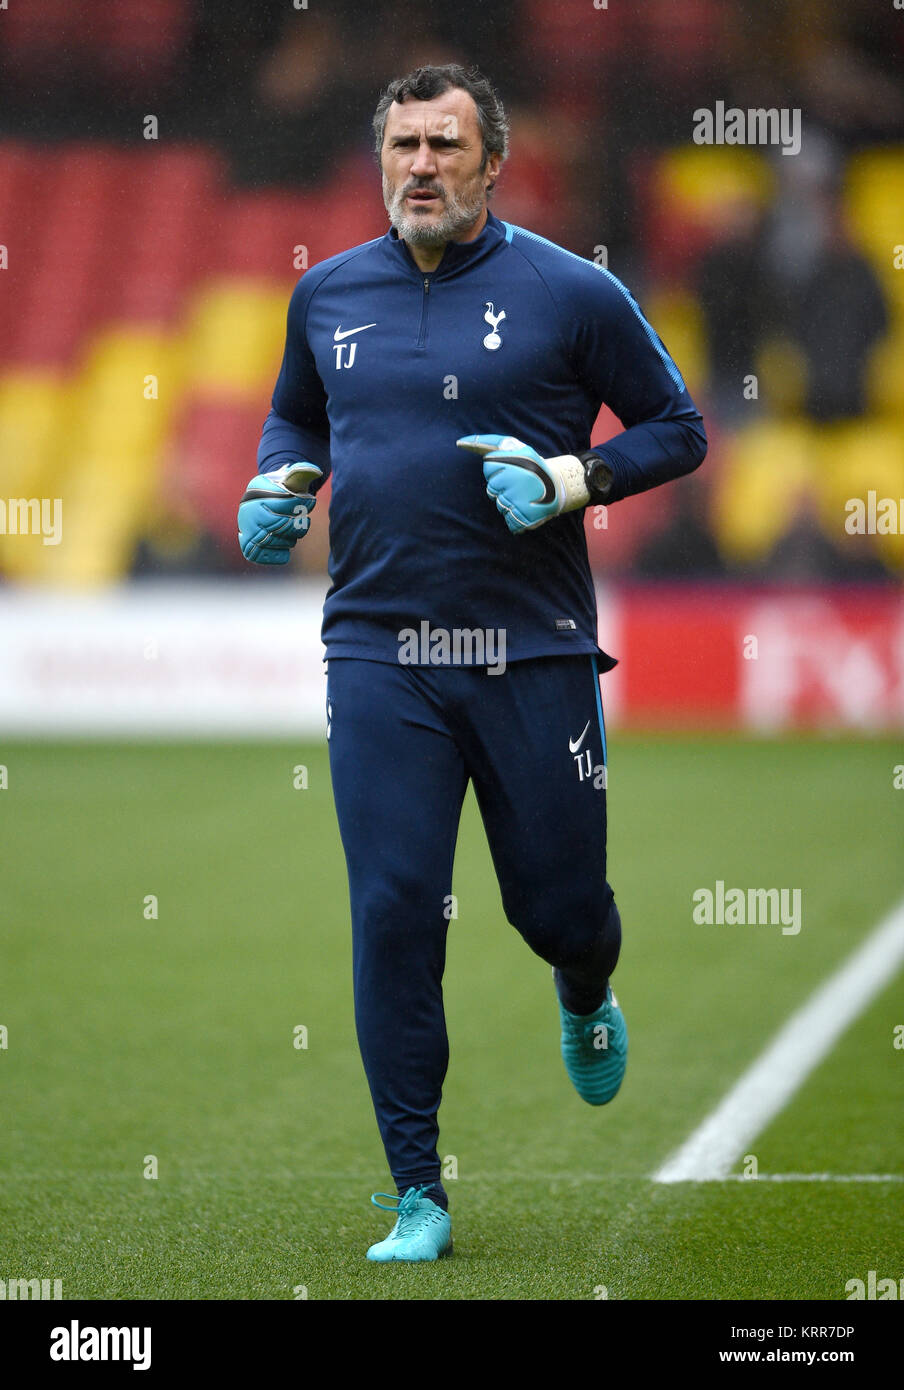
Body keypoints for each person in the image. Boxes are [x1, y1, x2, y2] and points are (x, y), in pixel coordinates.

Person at [237, 63, 706, 1262]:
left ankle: (583, 986)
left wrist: (574, 478)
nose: (421, 166)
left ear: (493, 163)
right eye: (403, 146)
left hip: (530, 649)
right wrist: (278, 478)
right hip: (377, 648)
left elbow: (679, 427)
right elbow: (298, 413)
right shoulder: (326, 294)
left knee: (559, 908)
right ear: (379, 161)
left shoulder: (572, 291)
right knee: (394, 908)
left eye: (445, 145)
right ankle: (418, 1191)